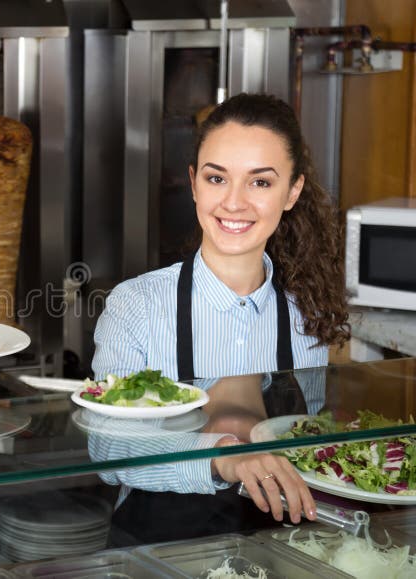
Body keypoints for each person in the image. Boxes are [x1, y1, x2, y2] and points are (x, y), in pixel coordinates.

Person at [92, 93, 351, 540]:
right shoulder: (136, 305)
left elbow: (304, 431)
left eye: (260, 183)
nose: (234, 203)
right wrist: (224, 456)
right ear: (194, 184)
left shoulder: (306, 311)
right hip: (157, 550)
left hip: (276, 546)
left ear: (293, 192)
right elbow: (110, 447)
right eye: (217, 178)